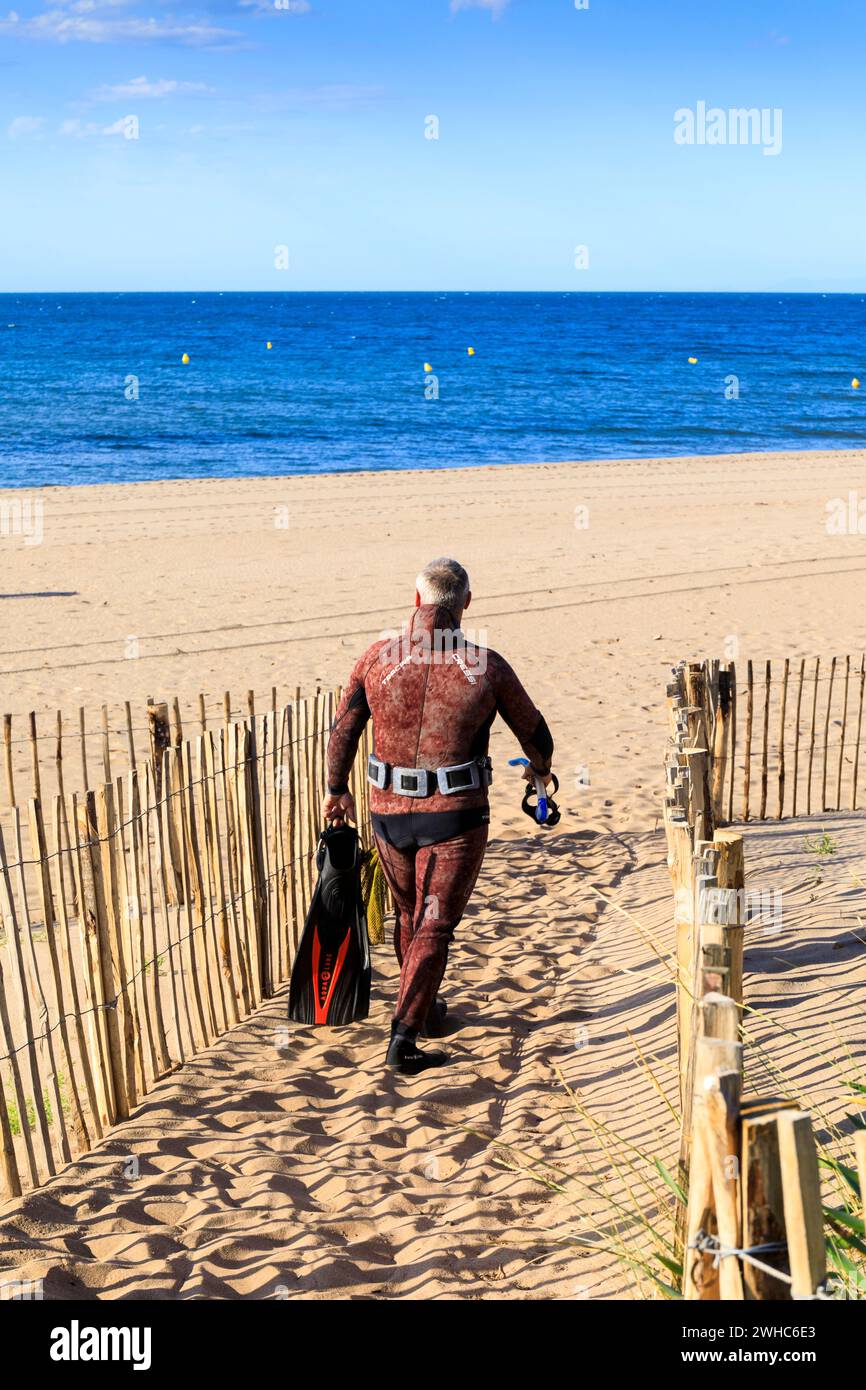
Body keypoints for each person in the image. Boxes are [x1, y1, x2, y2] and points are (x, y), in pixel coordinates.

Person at [323, 558, 555, 1074]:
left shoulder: (376, 659)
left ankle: (424, 1014)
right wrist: (539, 771)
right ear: (466, 604)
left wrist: (337, 790)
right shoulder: (486, 666)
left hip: (386, 813)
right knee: (434, 925)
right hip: (455, 817)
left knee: (410, 916)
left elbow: (342, 732)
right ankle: (403, 1040)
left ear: (416, 602)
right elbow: (535, 734)